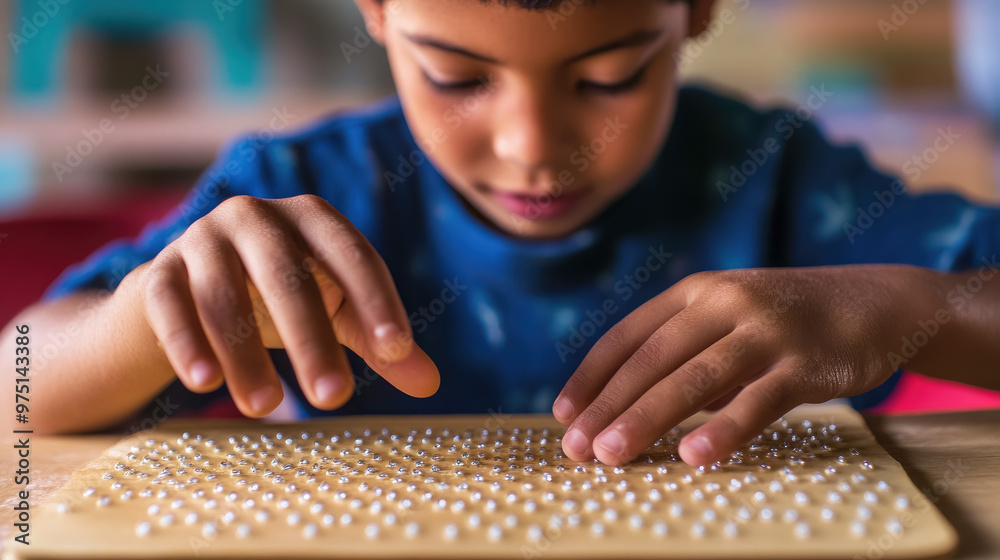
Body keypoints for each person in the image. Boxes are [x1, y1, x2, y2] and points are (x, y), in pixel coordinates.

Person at [4, 0, 999, 468]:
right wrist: (145, 318)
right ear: (379, 13)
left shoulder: (778, 181)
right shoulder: (299, 188)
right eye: (458, 77)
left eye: (609, 77)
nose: (531, 148)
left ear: (694, 12)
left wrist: (912, 308)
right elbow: (15, 385)